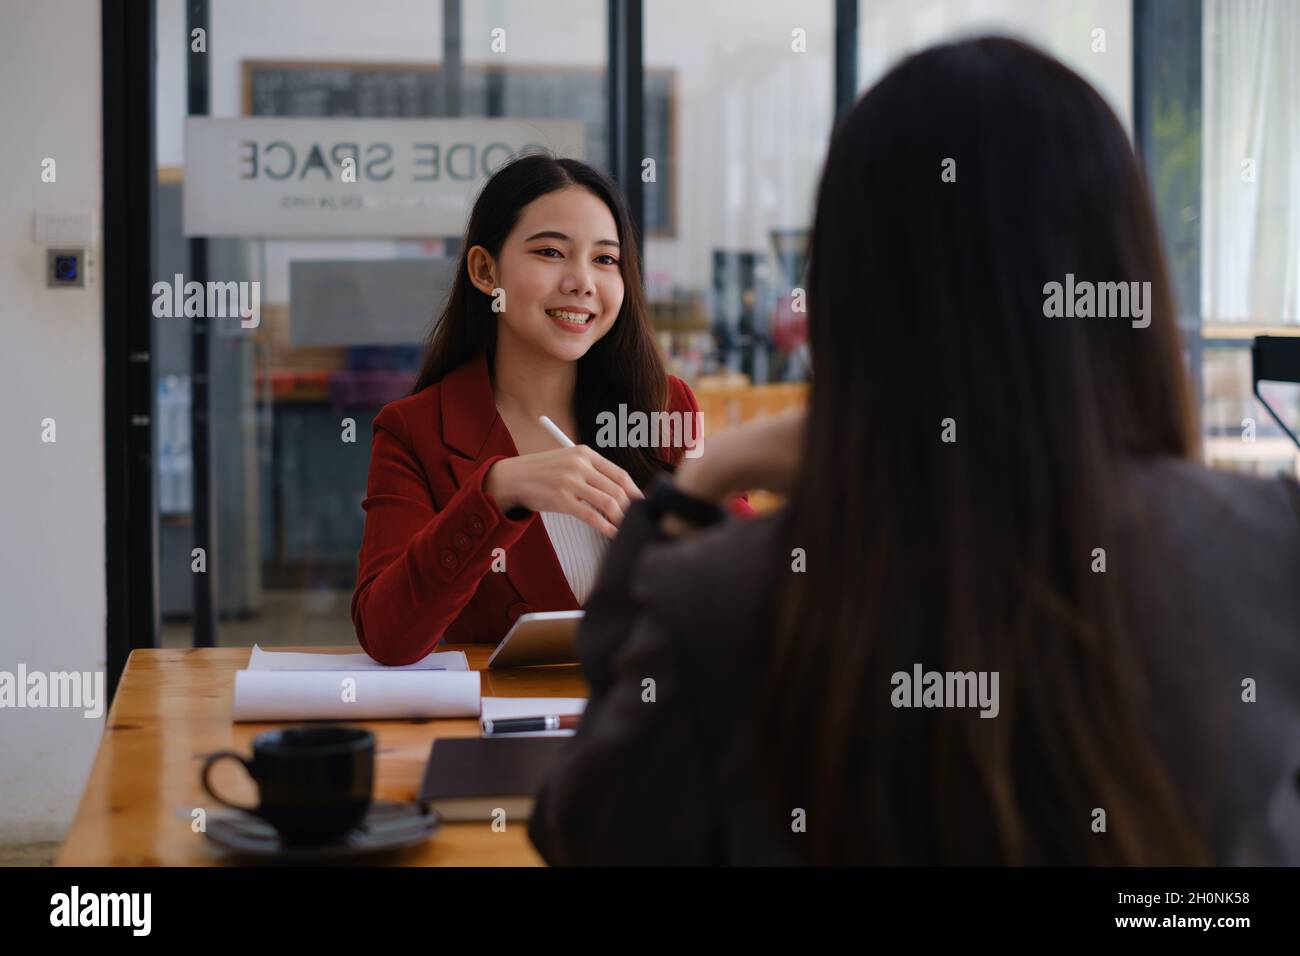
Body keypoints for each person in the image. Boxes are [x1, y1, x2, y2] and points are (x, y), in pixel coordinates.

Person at [528, 37, 1300, 865]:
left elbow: (584, 831)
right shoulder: (1270, 546)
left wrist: (702, 481)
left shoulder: (727, 596)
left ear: (848, 291)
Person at [352, 154, 750, 665]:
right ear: (484, 269)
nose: (582, 281)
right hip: (508, 733)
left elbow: (750, 584)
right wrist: (498, 491)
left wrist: (708, 501)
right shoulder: (416, 431)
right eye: (550, 252)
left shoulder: (663, 404)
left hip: (653, 723)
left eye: (605, 260)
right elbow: (388, 636)